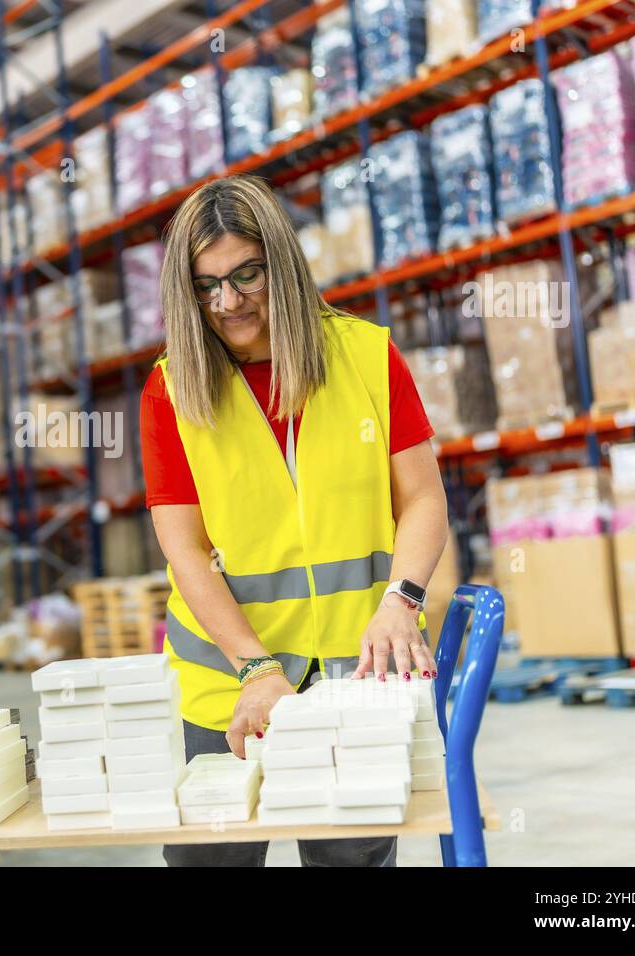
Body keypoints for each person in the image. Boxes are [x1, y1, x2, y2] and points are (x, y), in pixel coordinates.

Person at [140, 176, 448, 867]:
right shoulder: (171, 389)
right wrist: (254, 669)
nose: (228, 302)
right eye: (205, 285)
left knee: (352, 854)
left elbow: (424, 500)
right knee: (211, 858)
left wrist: (403, 600)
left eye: (247, 275)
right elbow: (185, 550)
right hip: (226, 673)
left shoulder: (367, 357)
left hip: (355, 670)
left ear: (282, 260)